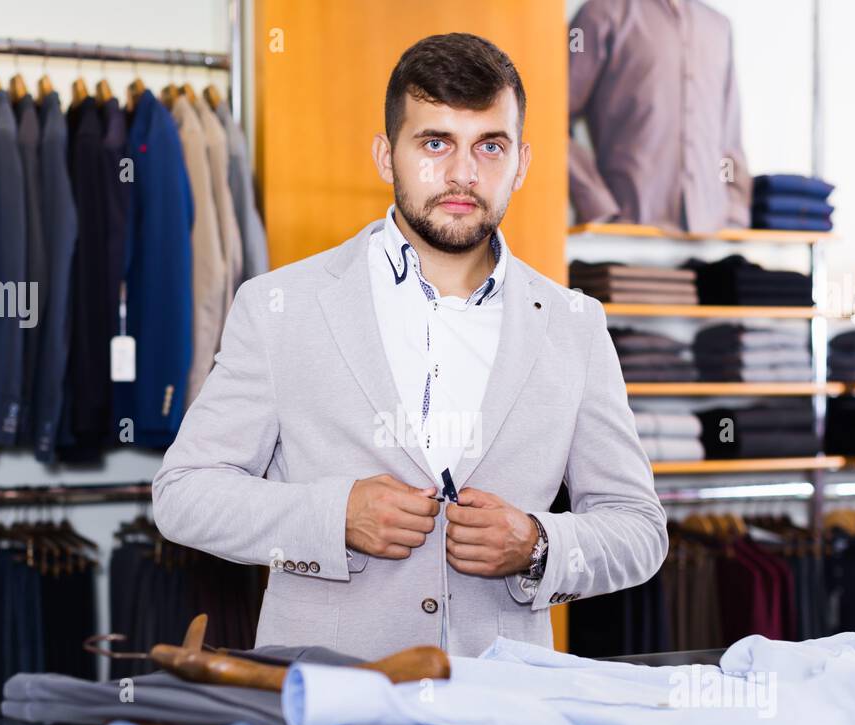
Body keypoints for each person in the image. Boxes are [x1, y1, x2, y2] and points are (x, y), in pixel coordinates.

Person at [153, 32, 668, 659]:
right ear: (385, 155)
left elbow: (639, 530)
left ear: (522, 164)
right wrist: (333, 516)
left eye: (490, 146)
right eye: (434, 143)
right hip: (330, 717)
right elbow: (183, 494)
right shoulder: (278, 307)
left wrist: (538, 544)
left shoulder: (575, 325)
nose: (462, 173)